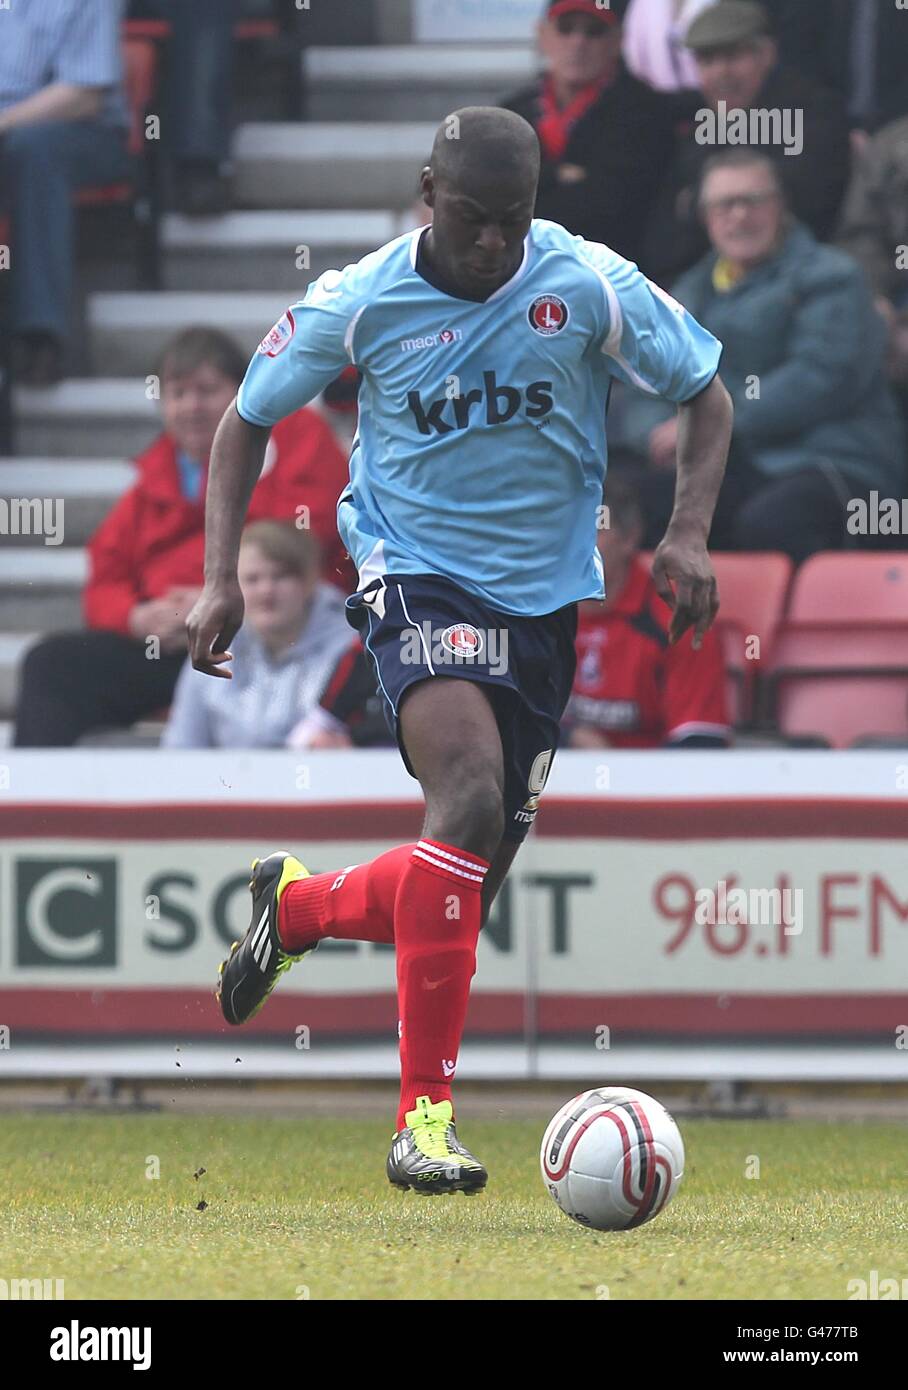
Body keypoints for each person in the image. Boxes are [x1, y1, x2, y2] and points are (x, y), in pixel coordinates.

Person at [188, 106, 732, 1195]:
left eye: (513, 225)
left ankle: (297, 906)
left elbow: (706, 396)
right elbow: (244, 417)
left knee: (459, 882)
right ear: (427, 196)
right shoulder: (361, 300)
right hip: (411, 572)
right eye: (474, 222)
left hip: (542, 604)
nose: (493, 247)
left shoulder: (583, 283)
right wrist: (215, 581)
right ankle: (421, 1122)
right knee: (470, 796)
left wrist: (682, 535)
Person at [13, 328, 351, 746]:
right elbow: (106, 574)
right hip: (174, 646)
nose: (192, 407)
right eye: (178, 394)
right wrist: (137, 617)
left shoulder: (297, 437)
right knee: (52, 666)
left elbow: (304, 539)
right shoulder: (157, 474)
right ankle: (43, 809)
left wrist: (222, 593)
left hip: (273, 638)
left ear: (245, 391)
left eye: (207, 391)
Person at [614, 151, 905, 562]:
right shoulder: (686, 293)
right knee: (628, 503)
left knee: (772, 520)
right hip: (730, 466)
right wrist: (656, 436)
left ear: (781, 206)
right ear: (705, 217)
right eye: (723, 204)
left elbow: (820, 378)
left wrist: (708, 424)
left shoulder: (833, 276)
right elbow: (642, 385)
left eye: (753, 200)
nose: (739, 216)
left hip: (832, 459)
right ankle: (658, 626)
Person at [644, 0, 850, 285]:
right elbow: (666, 234)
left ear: (766, 54)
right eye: (708, 61)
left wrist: (697, 205)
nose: (721, 72)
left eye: (733, 57)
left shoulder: (813, 114)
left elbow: (802, 204)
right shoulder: (700, 124)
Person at [0, 0, 130, 385]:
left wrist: (3, 124)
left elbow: (83, 96)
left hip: (81, 130)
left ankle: (40, 335)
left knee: (34, 150)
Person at [500, 0, 675, 264]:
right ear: (543, 35)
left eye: (594, 31)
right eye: (566, 28)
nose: (578, 42)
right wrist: (557, 174)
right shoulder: (513, 109)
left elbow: (610, 205)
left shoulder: (646, 112)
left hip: (609, 270)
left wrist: (526, 185)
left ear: (618, 41)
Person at [565, 477, 730, 748]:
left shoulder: (678, 618)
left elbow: (699, 745)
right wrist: (570, 739)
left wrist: (621, 777)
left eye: (592, 531)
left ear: (630, 538)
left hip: (654, 785)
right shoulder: (528, 611)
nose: (573, 545)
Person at [162, 522, 351, 748]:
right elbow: (182, 748)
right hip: (229, 781)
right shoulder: (210, 650)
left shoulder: (351, 651)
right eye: (252, 579)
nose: (266, 590)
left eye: (281, 577)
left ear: (310, 582)